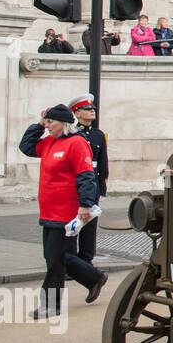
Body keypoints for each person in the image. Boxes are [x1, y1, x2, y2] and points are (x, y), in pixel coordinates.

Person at [18, 104, 107, 318]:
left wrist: (85, 205)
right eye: (46, 122)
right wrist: (39, 124)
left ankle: (51, 304)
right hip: (48, 211)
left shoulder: (76, 143)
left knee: (56, 258)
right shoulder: (49, 142)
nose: (47, 126)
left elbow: (86, 176)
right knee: (59, 256)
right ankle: (93, 277)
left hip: (66, 212)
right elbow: (26, 146)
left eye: (50, 122)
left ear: (64, 123)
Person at [68, 94, 108, 267]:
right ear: (76, 113)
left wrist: (102, 189)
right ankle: (71, 261)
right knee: (73, 225)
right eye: (87, 109)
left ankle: (86, 260)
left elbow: (103, 164)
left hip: (92, 187)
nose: (92, 111)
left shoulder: (98, 135)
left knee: (90, 228)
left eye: (92, 109)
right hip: (76, 187)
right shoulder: (71, 134)